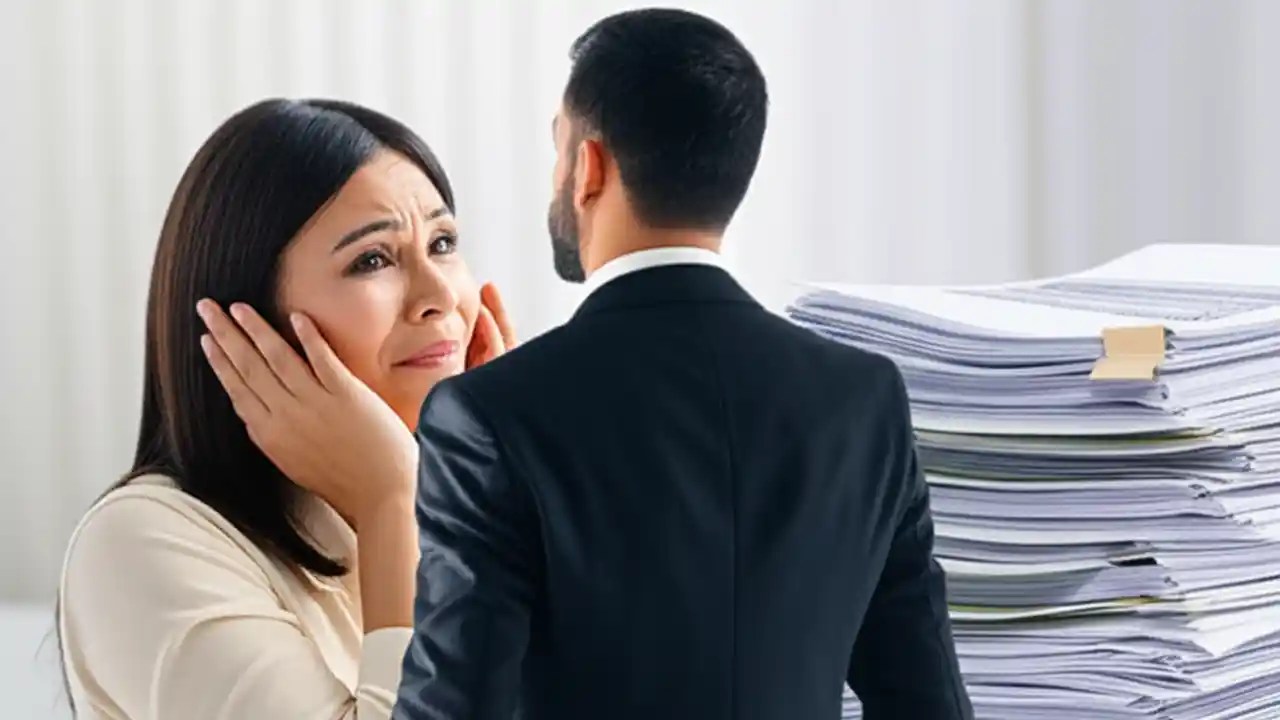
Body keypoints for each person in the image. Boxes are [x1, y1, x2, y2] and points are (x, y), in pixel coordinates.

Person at [212, 9, 973, 720]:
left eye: (558, 150)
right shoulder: (865, 399)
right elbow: (927, 701)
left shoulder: (488, 416)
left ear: (588, 167)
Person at [56, 98, 515, 720]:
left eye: (442, 243)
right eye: (372, 260)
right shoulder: (140, 542)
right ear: (248, 326)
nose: (439, 296)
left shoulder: (447, 512)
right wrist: (390, 497)